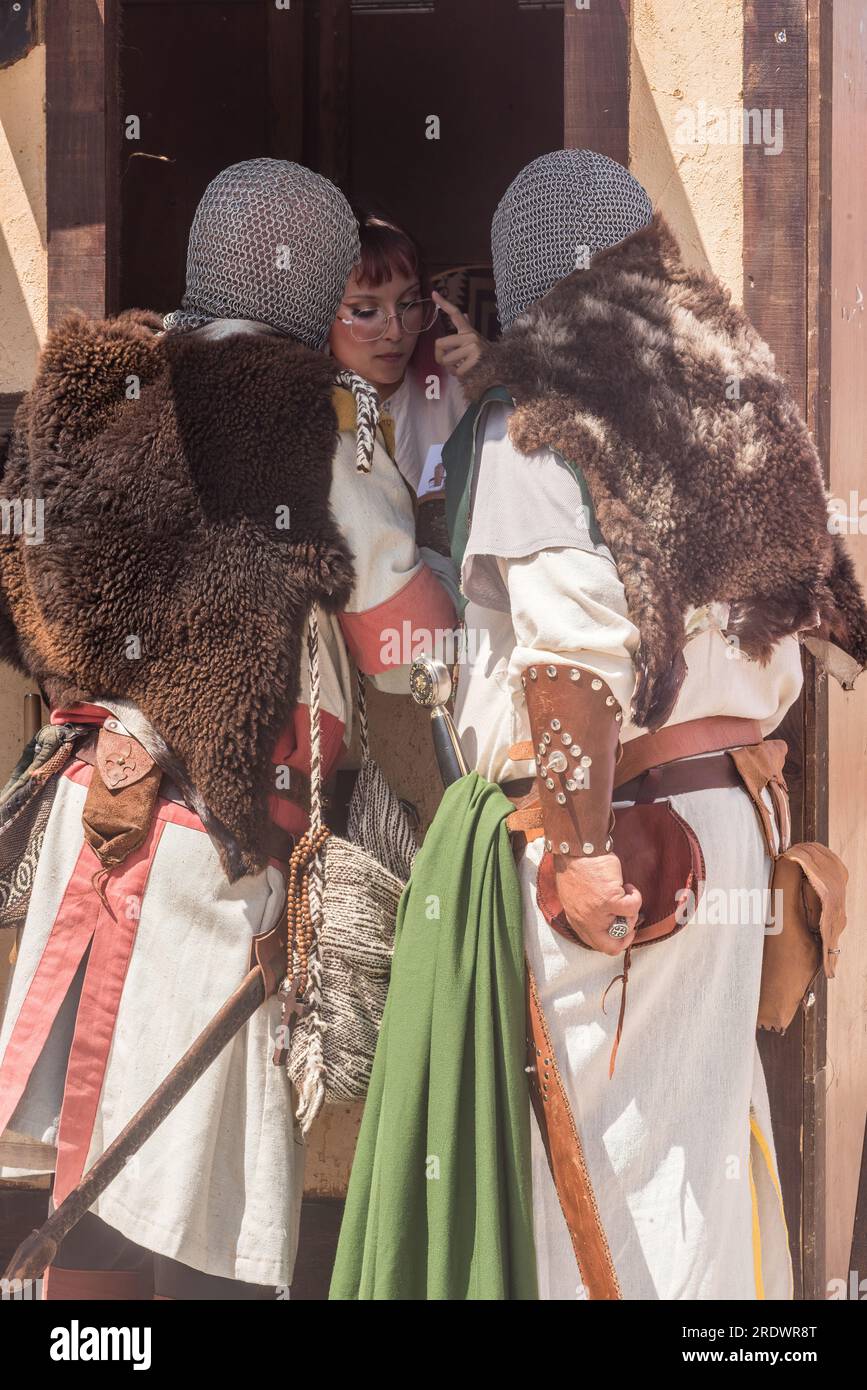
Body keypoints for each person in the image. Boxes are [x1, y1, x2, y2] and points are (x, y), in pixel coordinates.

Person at [0, 158, 455, 1299]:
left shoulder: (92, 382)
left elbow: (28, 591)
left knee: (93, 1185)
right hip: (218, 850)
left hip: (88, 810)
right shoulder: (309, 411)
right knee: (211, 1224)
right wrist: (471, 578)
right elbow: (402, 640)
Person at [441, 149, 867, 1299]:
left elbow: (574, 649)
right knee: (698, 1161)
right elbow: (827, 605)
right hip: (724, 827)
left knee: (611, 1184)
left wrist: (579, 854)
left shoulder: (550, 411)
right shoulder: (737, 395)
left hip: (624, 838)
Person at [328, 209, 482, 577]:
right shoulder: (302, 409)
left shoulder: (455, 389)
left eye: (410, 304)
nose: (396, 331)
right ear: (319, 311)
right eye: (366, 311)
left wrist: (491, 382)